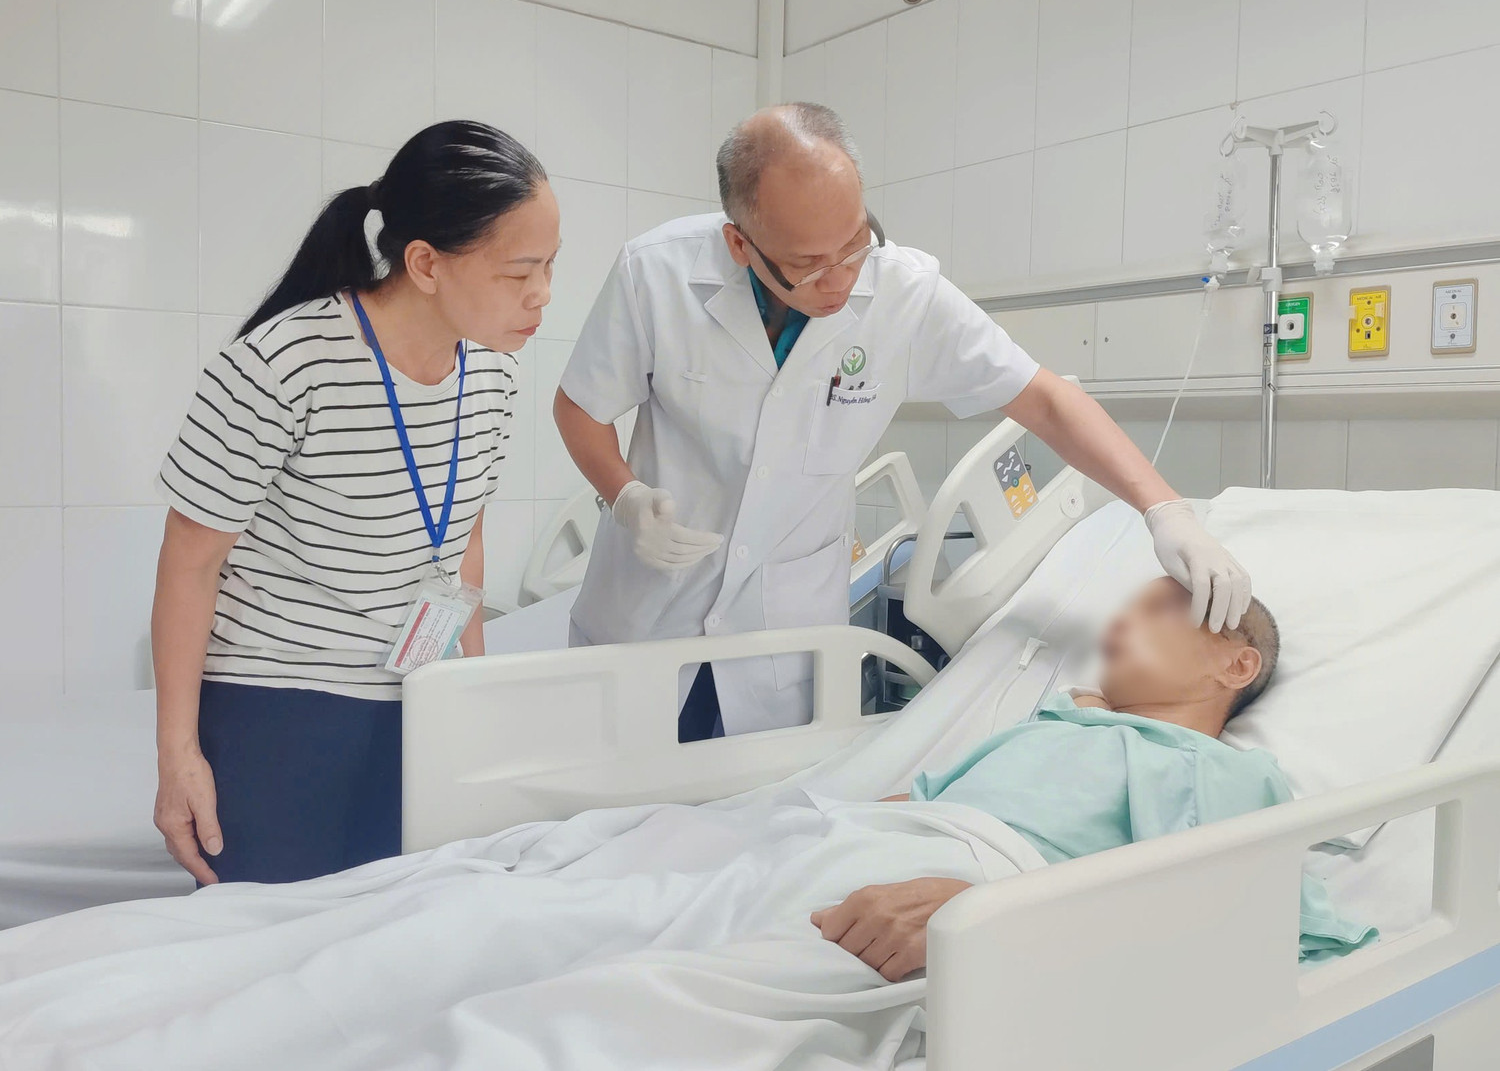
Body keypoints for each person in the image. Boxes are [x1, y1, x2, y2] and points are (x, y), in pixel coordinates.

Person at [554, 101, 1253, 743]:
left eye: (855, 243)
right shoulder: (656, 274)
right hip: (648, 619)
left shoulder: (903, 291)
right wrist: (625, 495)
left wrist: (1165, 509)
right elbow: (580, 406)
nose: (842, 278)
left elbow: (1042, 398)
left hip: (783, 641)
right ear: (741, 245)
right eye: (807, 264)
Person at [151, 121, 559, 886]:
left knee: (390, 954)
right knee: (272, 958)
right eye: (518, 272)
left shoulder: (494, 377)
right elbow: (189, 561)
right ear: (426, 264)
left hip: (417, 706)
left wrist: (469, 692)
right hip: (279, 709)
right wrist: (178, 754)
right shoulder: (285, 363)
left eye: (550, 267)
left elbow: (462, 540)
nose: (542, 295)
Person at [811, 577, 1374, 981]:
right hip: (855, 850)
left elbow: (1218, 926)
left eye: (1162, 609)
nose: (1122, 620)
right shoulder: (1043, 731)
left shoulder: (1218, 769)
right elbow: (916, 803)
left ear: (1237, 666)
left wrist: (987, 915)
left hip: (958, 903)